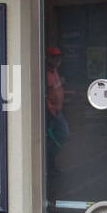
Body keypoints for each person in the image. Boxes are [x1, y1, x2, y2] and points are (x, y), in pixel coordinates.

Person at [45, 46, 68, 178]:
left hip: (57, 110)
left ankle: (50, 162)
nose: (57, 59)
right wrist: (51, 109)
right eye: (54, 57)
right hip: (52, 113)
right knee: (60, 134)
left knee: (58, 136)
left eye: (59, 57)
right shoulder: (46, 73)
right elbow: (44, 95)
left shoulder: (54, 71)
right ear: (48, 58)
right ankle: (49, 162)